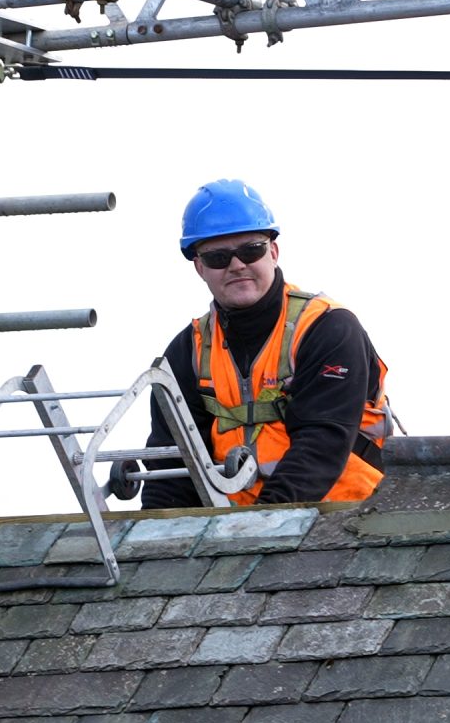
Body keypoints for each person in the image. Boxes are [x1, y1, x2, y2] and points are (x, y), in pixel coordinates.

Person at [134, 179, 389, 508]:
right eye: (218, 257)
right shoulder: (188, 352)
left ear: (273, 251)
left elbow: (322, 444)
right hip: (246, 532)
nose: (238, 265)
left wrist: (263, 523)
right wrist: (154, 539)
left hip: (351, 520)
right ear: (199, 267)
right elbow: (172, 465)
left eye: (251, 250)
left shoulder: (328, 328)